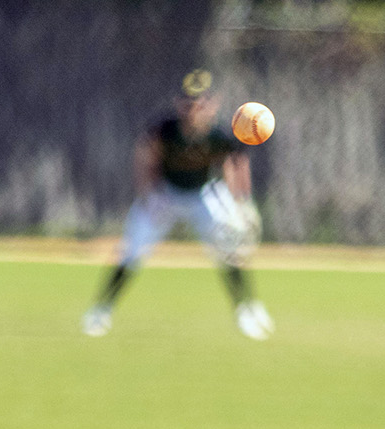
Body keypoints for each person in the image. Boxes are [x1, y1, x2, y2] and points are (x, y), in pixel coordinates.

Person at [83, 70, 272, 340]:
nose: (195, 108)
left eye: (201, 102)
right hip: (166, 194)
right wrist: (147, 192)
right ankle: (101, 310)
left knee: (230, 250)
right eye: (190, 102)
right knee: (132, 251)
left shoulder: (218, 135)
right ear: (180, 104)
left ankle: (248, 309)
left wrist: (241, 201)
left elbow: (234, 163)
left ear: (212, 104)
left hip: (201, 196)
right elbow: (144, 154)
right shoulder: (166, 130)